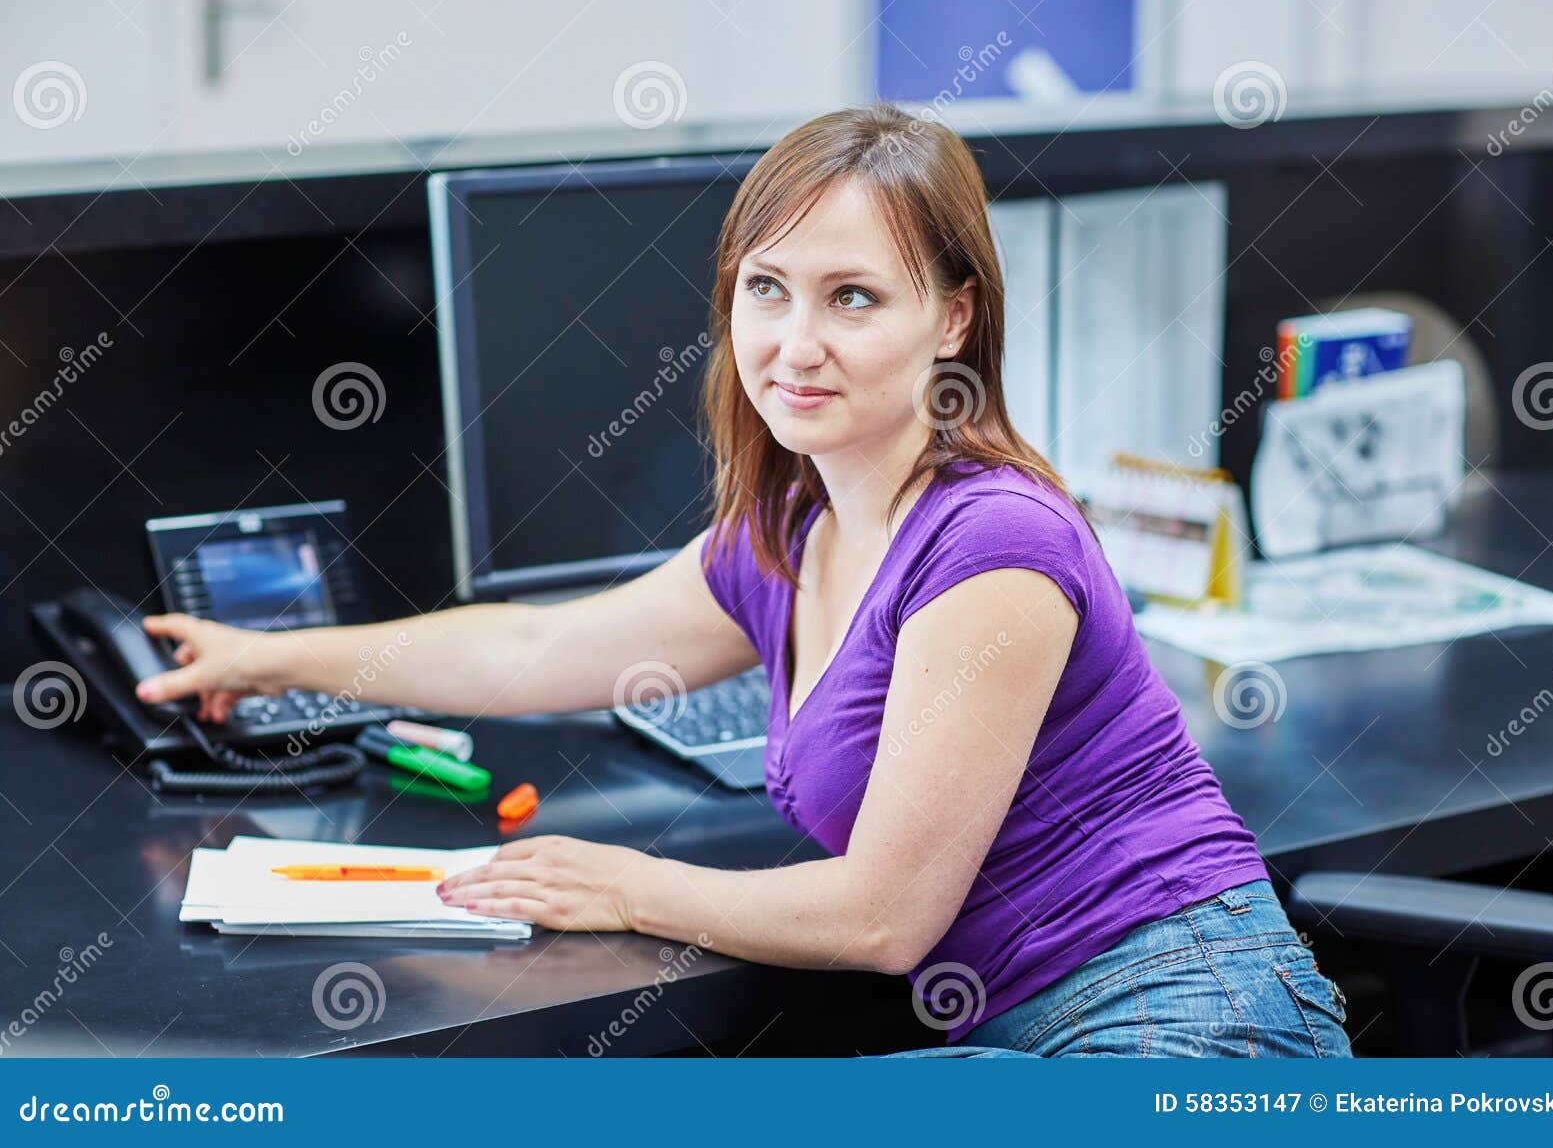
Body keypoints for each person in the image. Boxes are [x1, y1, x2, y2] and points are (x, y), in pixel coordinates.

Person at [136, 102, 1351, 1058]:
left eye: (853, 297)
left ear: (952, 316)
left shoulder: (992, 544)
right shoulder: (786, 529)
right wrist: (271, 657)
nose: (794, 341)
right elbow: (531, 653)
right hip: (1024, 1035)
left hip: (1189, 1027)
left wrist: (630, 882)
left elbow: (886, 917)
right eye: (766, 289)